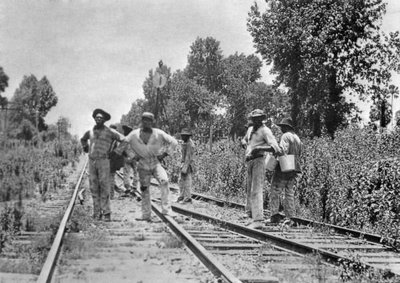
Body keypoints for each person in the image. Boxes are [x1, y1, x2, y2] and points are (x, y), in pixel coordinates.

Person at [118, 112, 178, 221]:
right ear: (141, 121)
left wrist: (164, 154)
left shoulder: (158, 133)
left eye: (149, 120)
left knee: (164, 181)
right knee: (144, 189)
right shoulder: (134, 134)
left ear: (152, 122)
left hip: (155, 162)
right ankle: (146, 215)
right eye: (144, 120)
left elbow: (174, 142)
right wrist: (132, 156)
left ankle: (167, 210)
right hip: (142, 164)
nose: (146, 122)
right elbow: (121, 146)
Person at [80, 109, 125, 221]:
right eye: (97, 117)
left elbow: (124, 140)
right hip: (92, 161)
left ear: (104, 120)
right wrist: (85, 147)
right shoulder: (90, 131)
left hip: (104, 161)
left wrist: (116, 152)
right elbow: (83, 139)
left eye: (101, 118)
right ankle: (96, 213)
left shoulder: (110, 132)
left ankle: (106, 213)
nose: (98, 119)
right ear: (94, 119)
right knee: (93, 187)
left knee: (104, 186)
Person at [241, 109, 280, 229]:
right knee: (249, 189)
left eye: (258, 118)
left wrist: (258, 148)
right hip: (250, 161)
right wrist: (243, 142)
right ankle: (251, 215)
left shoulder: (265, 130)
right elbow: (245, 139)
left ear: (262, 118)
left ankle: (258, 220)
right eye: (254, 118)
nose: (256, 120)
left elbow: (275, 148)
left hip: (259, 160)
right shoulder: (250, 129)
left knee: (256, 189)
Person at [268, 117, 302, 226]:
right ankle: (291, 218)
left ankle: (274, 216)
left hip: (284, 167)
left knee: (275, 191)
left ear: (286, 127)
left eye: (282, 127)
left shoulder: (285, 136)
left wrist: (274, 151)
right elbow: (299, 153)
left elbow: (283, 150)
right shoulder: (297, 138)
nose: (281, 129)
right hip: (294, 168)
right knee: (289, 193)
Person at [176, 128, 195, 204]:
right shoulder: (185, 143)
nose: (182, 137)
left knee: (187, 181)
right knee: (181, 181)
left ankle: (187, 198)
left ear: (187, 136)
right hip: (184, 164)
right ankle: (182, 196)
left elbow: (188, 157)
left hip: (188, 165)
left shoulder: (190, 145)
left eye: (184, 136)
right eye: (182, 135)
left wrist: (184, 168)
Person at [108, 124, 126, 199]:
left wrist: (115, 152)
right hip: (113, 159)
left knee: (110, 176)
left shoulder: (114, 137)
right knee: (110, 176)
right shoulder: (114, 137)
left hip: (112, 159)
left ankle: (111, 195)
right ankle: (117, 191)